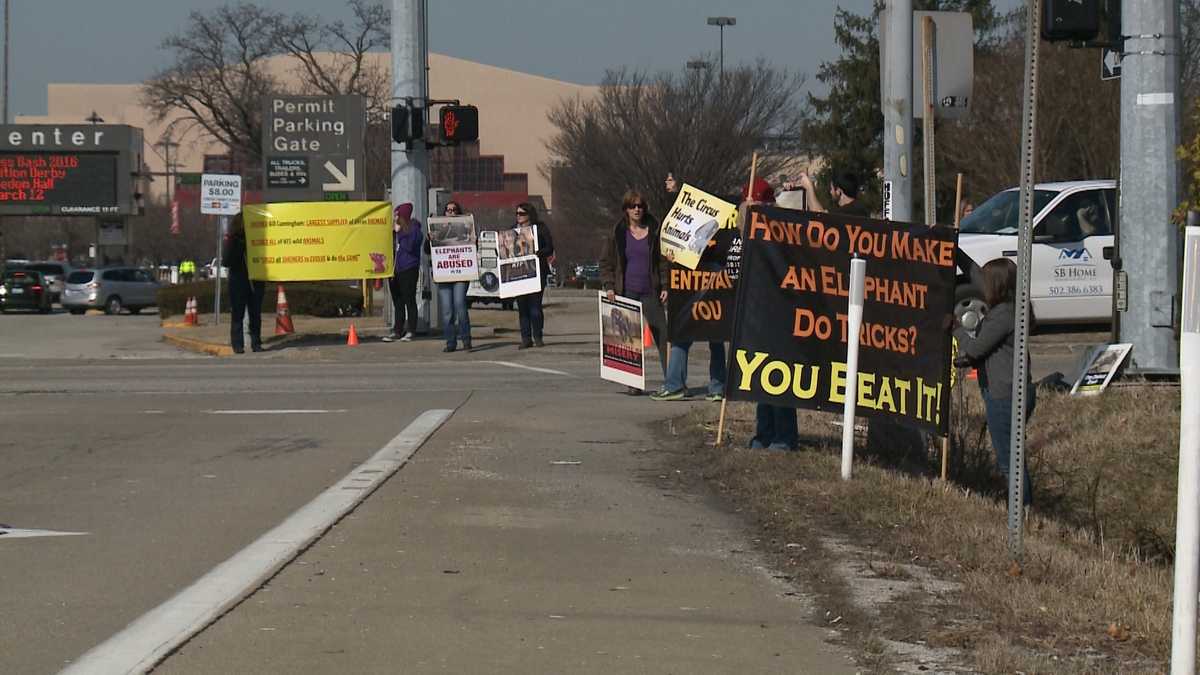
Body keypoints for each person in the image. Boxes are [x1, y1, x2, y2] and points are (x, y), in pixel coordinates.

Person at [954, 258, 1035, 506]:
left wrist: (955, 328)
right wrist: (953, 247)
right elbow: (975, 273)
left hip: (1005, 396)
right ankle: (1022, 509)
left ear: (998, 285)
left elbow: (976, 349)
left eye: (988, 282)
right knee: (1013, 457)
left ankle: (1020, 513)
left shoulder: (1004, 315)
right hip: (1012, 391)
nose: (982, 286)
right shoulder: (1012, 307)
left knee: (1009, 461)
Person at [652, 172, 727, 403]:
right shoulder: (686, 222)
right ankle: (677, 384)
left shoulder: (720, 220)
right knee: (682, 332)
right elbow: (675, 223)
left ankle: (716, 387)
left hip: (712, 279)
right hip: (688, 280)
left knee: (715, 334)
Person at [600, 189, 669, 395]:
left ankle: (673, 381)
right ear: (626, 210)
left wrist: (665, 286)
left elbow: (664, 261)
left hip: (651, 292)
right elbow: (605, 263)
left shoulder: (655, 231)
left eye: (640, 206)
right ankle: (633, 383)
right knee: (629, 340)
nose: (637, 209)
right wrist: (609, 285)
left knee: (664, 337)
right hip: (627, 292)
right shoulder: (617, 233)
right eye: (632, 206)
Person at [430, 200, 473, 352]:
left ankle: (466, 339)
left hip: (460, 274)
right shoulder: (437, 230)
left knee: (460, 305)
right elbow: (427, 251)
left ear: (458, 212)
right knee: (447, 311)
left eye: (454, 210)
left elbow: (471, 250)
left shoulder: (465, 229)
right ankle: (450, 342)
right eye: (448, 210)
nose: (451, 212)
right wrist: (430, 239)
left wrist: (475, 242)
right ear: (444, 213)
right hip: (444, 275)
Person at [512, 202, 554, 349]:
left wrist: (537, 253)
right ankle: (526, 338)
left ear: (529, 214)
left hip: (537, 272)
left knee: (535, 307)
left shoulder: (540, 228)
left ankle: (538, 335)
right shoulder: (513, 231)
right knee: (522, 307)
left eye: (522, 213)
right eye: (517, 213)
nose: (518, 216)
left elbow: (550, 247)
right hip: (519, 272)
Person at [222, 214, 266, 354]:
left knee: (246, 314)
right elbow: (226, 261)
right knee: (247, 314)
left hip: (246, 280)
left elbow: (226, 261)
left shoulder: (253, 239)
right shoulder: (237, 240)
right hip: (247, 280)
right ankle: (248, 344)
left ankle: (246, 344)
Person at [383, 202, 422, 343]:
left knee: (409, 300)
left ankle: (411, 330)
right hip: (394, 269)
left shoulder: (414, 229)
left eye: (397, 215)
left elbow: (409, 247)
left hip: (408, 269)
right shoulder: (393, 231)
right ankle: (397, 330)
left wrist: (400, 233)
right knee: (397, 302)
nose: (394, 218)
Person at [798, 170, 871, 218]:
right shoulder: (860, 209)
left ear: (839, 191)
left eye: (831, 189)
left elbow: (819, 216)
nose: (830, 192)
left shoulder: (849, 212)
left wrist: (809, 188)